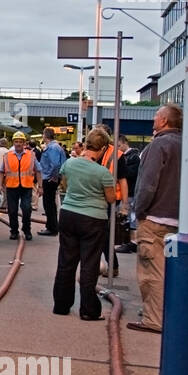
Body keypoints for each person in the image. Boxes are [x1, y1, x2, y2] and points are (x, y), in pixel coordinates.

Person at [127, 104, 183, 333]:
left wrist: (138, 210)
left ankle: (154, 319)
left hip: (155, 220)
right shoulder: (186, 145)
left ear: (163, 121)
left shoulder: (158, 145)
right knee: (171, 270)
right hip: (179, 222)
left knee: (151, 273)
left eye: (155, 117)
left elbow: (148, 184)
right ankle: (169, 312)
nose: (153, 121)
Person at [52, 127, 117, 320]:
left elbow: (63, 184)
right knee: (89, 264)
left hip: (68, 214)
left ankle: (61, 305)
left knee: (66, 261)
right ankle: (88, 310)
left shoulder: (69, 164)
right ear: (103, 148)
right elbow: (111, 198)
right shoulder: (103, 173)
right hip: (93, 219)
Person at [2, 131, 41, 241]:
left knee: (27, 209)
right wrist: (0, 185)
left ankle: (26, 229)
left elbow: (38, 170)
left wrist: (40, 186)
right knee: (12, 210)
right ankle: (14, 231)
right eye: (16, 141)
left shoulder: (31, 155)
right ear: (13, 143)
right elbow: (1, 171)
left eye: (20, 141)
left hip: (26, 186)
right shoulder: (7, 156)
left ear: (24, 143)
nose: (18, 143)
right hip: (11, 187)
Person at [38, 128, 67, 237]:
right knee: (50, 203)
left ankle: (52, 227)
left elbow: (55, 164)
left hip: (49, 178)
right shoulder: (56, 147)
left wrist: (53, 176)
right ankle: (52, 226)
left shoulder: (52, 148)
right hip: (51, 177)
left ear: (45, 135)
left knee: (48, 204)